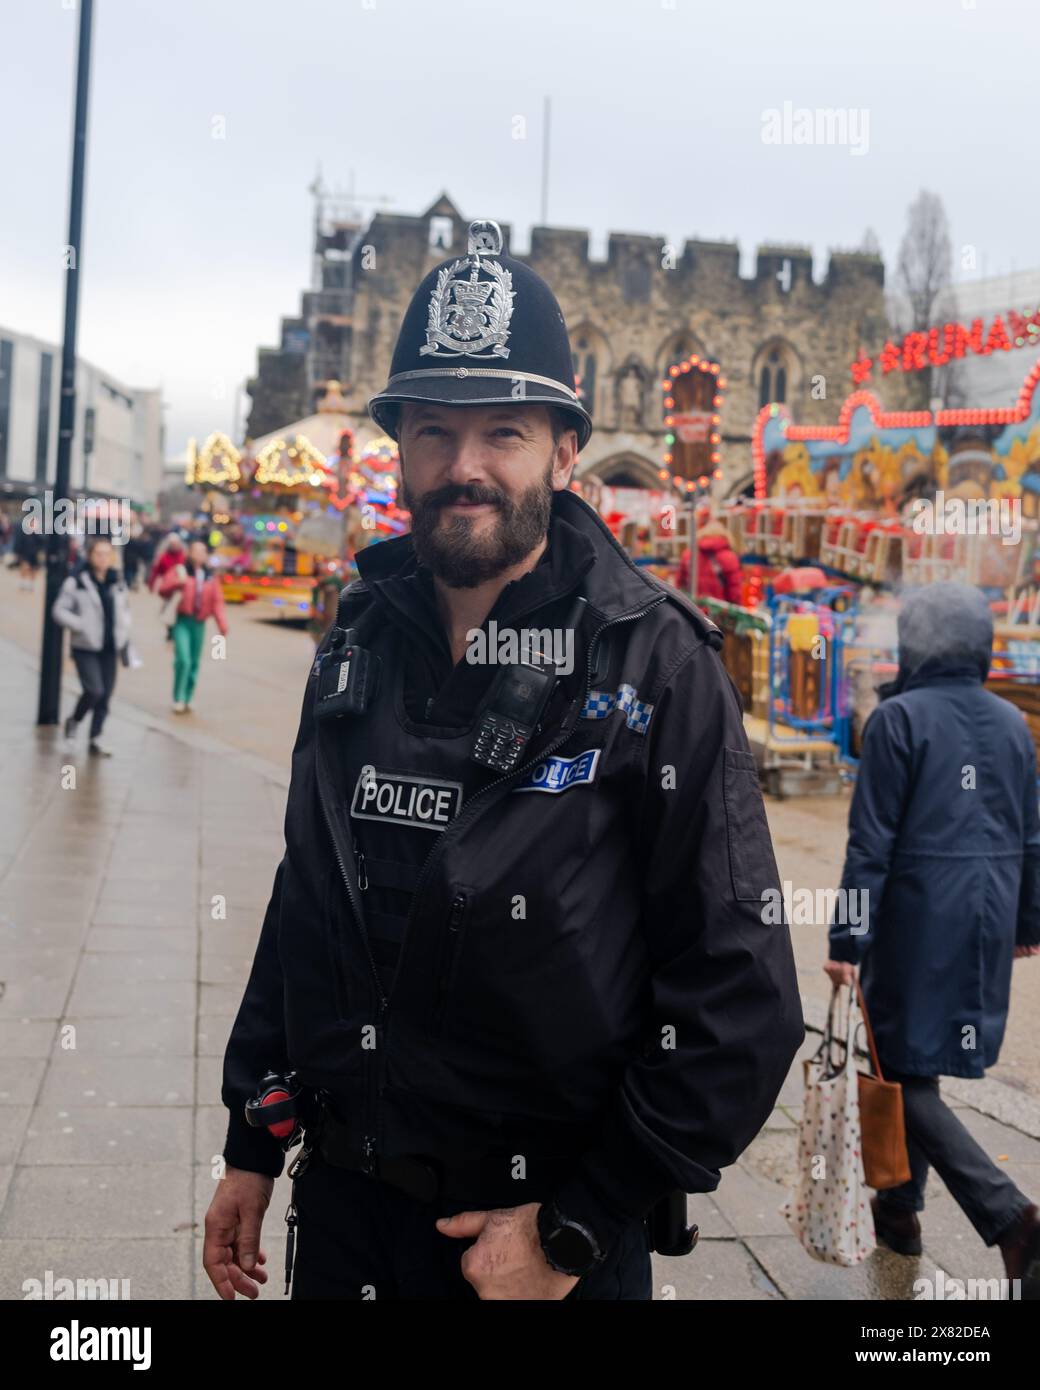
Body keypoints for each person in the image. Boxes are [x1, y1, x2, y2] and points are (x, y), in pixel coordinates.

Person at [206, 218, 803, 1303]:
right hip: (342, 1227)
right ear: (399, 444)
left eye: (504, 432)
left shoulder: (656, 667)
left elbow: (740, 999)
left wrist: (577, 1226)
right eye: (434, 430)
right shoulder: (357, 638)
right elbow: (307, 897)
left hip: (533, 1253)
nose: (463, 467)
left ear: (566, 449)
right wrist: (252, 1135)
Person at [825, 582, 1040, 1297]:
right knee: (917, 1063)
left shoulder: (898, 719)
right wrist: (1028, 922)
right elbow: (1032, 833)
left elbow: (870, 845)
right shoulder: (1012, 723)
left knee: (895, 1064)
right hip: (987, 911)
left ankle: (1010, 1217)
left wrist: (847, 940)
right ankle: (900, 1211)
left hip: (918, 914)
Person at [52, 536, 132, 757]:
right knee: (94, 690)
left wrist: (124, 633)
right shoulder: (77, 581)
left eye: (107, 554)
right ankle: (74, 721)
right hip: (85, 646)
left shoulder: (118, 581)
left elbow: (125, 610)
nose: (103, 558)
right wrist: (80, 625)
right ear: (89, 556)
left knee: (106, 695)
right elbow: (59, 610)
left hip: (109, 646)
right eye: (98, 554)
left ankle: (95, 737)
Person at [158, 538, 228, 713]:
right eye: (196, 551)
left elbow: (217, 602)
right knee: (183, 660)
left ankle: (188, 696)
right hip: (182, 621)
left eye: (203, 551)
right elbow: (163, 589)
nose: (200, 554)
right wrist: (178, 582)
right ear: (189, 553)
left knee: (195, 661)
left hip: (199, 623)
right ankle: (178, 697)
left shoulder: (210, 577)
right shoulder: (180, 571)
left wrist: (222, 624)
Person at [676, 512, 743, 604]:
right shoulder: (729, 557)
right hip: (718, 610)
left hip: (693, 607)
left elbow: (679, 585)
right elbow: (734, 590)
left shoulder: (688, 555)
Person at [13, 512, 45, 591]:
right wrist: (17, 552)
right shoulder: (24, 530)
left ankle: (31, 584)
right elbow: (19, 541)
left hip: (35, 553)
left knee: (34, 569)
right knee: (25, 567)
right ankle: (22, 582)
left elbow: (42, 542)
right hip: (25, 552)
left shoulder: (38, 532)